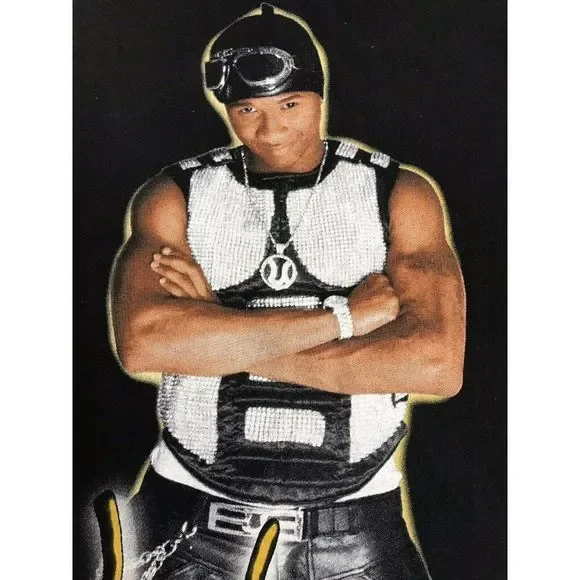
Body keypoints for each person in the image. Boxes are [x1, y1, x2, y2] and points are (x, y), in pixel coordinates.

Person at [109, 4, 466, 579]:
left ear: (320, 96)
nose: (269, 130)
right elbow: (144, 344)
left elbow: (435, 364)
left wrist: (217, 330)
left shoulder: (397, 193)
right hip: (190, 523)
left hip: (355, 537)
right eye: (247, 109)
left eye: (289, 105)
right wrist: (344, 321)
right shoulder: (176, 194)